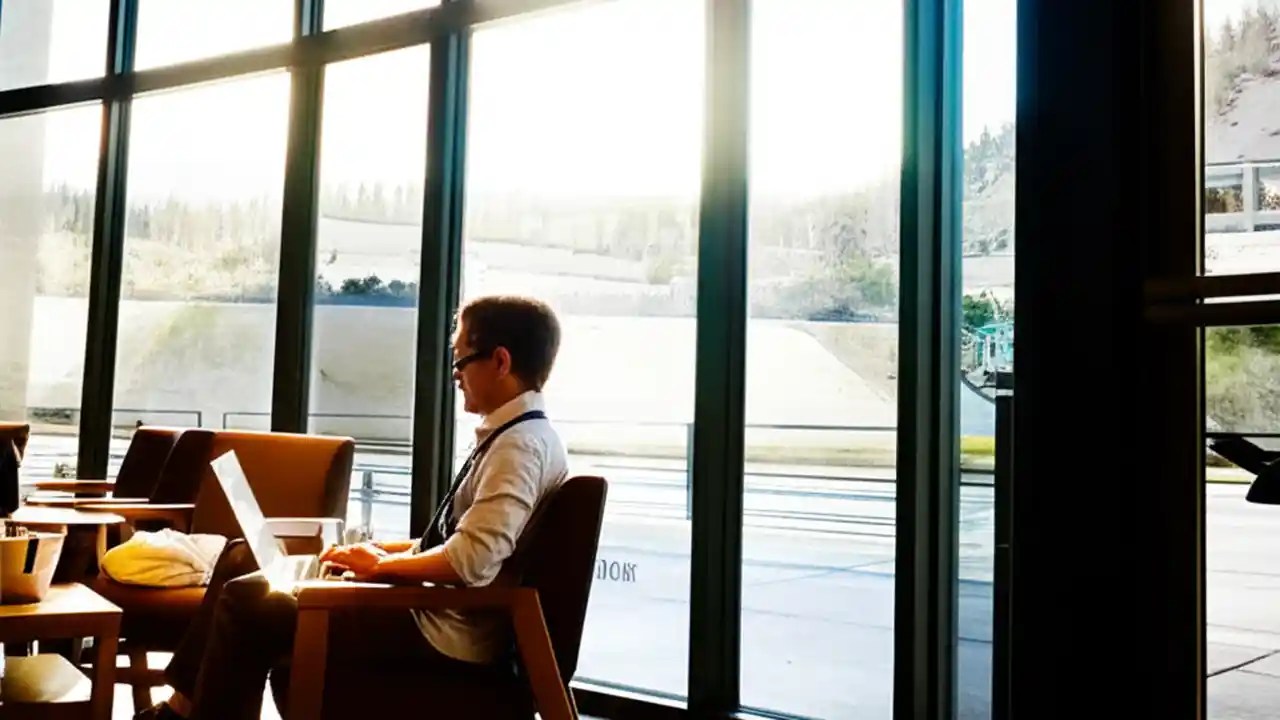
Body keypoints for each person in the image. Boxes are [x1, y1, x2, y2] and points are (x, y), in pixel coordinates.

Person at [139, 295, 568, 720]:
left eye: (460, 360)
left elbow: (470, 561)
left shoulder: (519, 448)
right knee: (241, 557)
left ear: (500, 362)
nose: (454, 375)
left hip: (440, 630)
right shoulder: (513, 437)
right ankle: (180, 710)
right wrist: (380, 552)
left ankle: (180, 716)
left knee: (248, 601)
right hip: (432, 611)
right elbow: (457, 543)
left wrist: (378, 567)